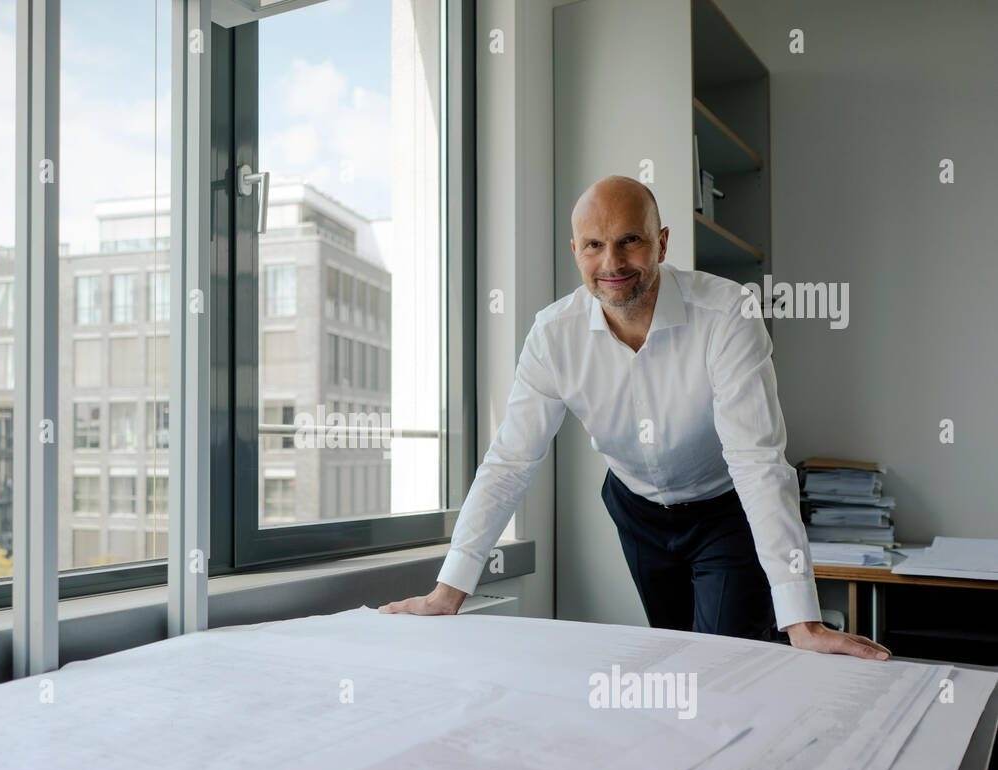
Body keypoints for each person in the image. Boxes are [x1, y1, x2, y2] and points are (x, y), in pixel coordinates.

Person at [380, 175, 890, 660]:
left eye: (630, 241)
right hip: (637, 511)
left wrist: (801, 619)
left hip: (725, 510)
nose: (613, 262)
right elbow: (509, 462)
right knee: (671, 653)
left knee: (726, 657)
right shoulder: (553, 335)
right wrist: (449, 592)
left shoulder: (728, 313)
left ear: (662, 243)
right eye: (594, 245)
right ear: (575, 251)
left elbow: (757, 461)